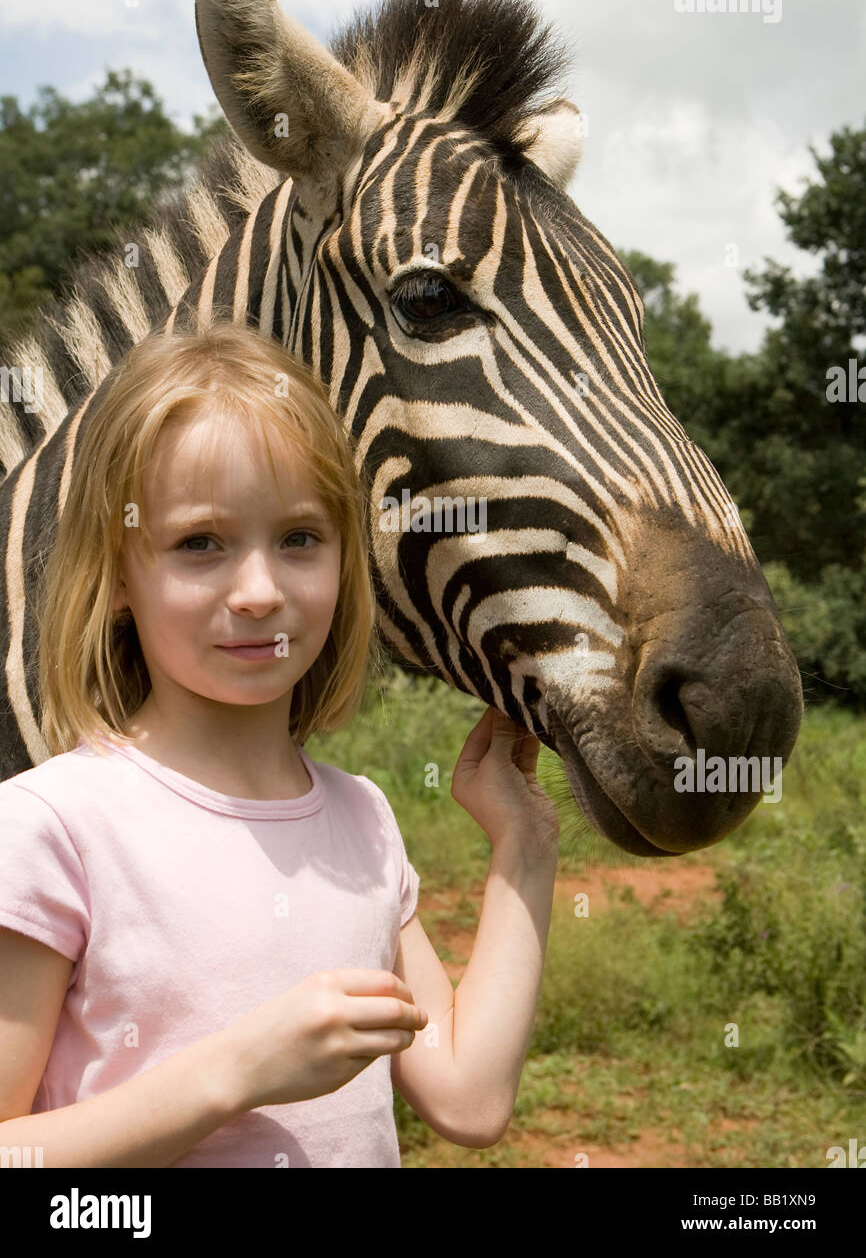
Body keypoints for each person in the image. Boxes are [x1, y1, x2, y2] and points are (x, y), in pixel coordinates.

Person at [0, 319, 560, 1169]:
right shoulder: (51, 826)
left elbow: (467, 1095)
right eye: (200, 544)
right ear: (117, 573)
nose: (259, 592)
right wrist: (236, 1070)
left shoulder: (362, 819)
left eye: (299, 537)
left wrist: (523, 850)